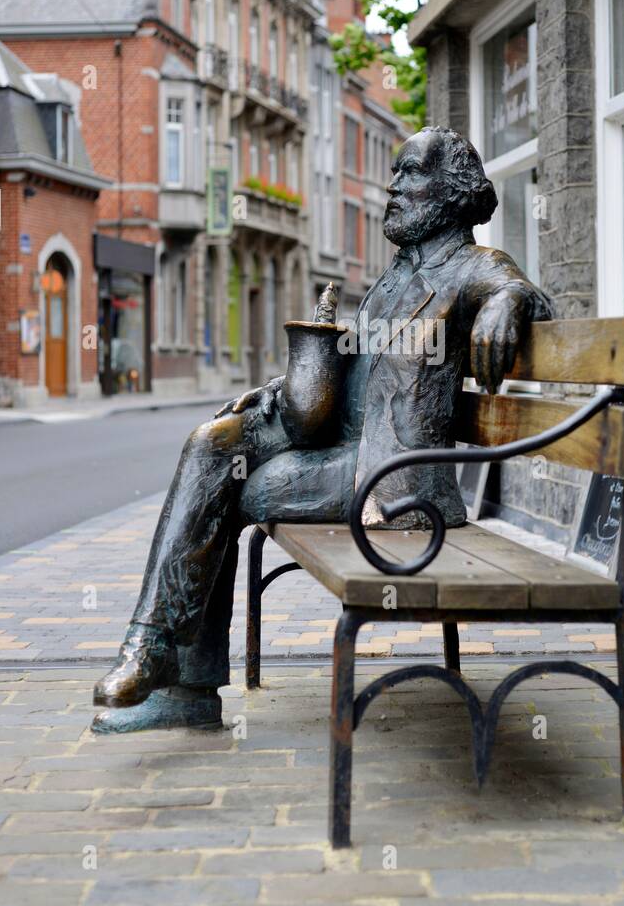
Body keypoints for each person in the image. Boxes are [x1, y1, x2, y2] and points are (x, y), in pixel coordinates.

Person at [92, 127, 553, 731]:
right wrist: (276, 396)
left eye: (410, 173)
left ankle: (181, 681)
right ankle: (155, 652)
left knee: (238, 492)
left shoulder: (473, 267)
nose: (394, 186)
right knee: (214, 445)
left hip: (391, 480)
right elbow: (353, 380)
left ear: (453, 191)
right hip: (340, 446)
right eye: (395, 172)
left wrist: (507, 302)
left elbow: (530, 297)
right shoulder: (389, 281)